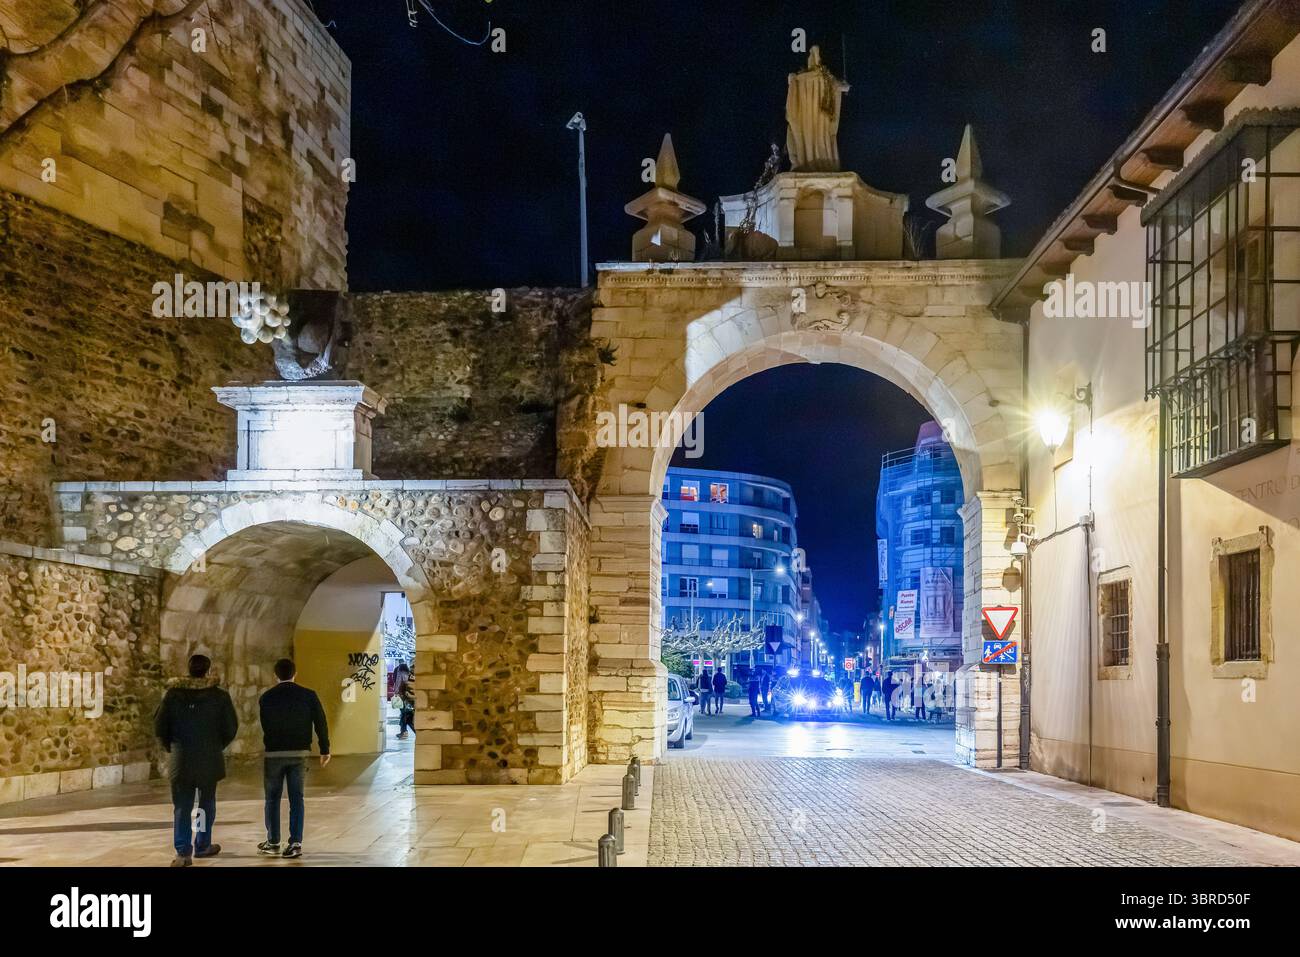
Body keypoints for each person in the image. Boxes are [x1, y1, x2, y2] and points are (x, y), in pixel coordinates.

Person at [154, 654, 238, 867]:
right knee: (204, 805)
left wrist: (170, 746)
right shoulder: (220, 697)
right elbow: (230, 727)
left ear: (189, 670)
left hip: (181, 759)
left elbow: (160, 726)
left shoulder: (173, 696)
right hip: (209, 759)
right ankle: (202, 844)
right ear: (208, 671)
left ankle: (183, 852)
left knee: (182, 806)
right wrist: (217, 746)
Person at [258, 658, 331, 860]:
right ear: (295, 673)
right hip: (299, 753)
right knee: (296, 797)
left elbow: (265, 724)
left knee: (272, 798)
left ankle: (273, 842)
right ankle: (295, 843)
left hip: (274, 753)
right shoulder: (308, 695)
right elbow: (320, 722)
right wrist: (325, 749)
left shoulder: (266, 698)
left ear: (275, 675)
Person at [395, 662, 416, 740]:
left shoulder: (403, 674)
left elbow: (399, 684)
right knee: (405, 716)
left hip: (407, 699)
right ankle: (403, 732)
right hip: (410, 700)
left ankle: (404, 732)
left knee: (406, 717)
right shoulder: (410, 675)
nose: (411, 669)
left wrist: (397, 693)